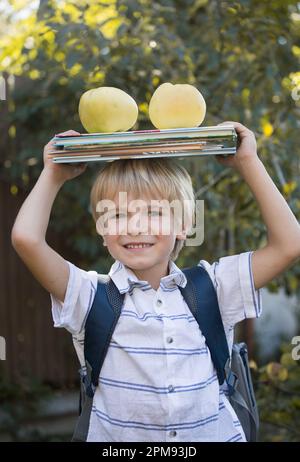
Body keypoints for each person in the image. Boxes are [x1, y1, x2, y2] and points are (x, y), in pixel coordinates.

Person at [11, 122, 300, 442]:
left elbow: (289, 244)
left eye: (152, 213)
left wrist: (249, 162)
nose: (134, 227)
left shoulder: (214, 289)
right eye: (117, 215)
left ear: (185, 224)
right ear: (101, 229)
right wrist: (53, 174)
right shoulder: (89, 296)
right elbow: (26, 239)